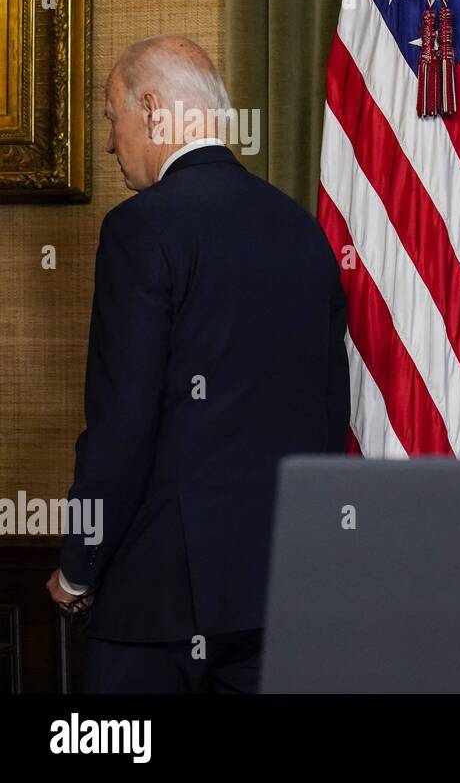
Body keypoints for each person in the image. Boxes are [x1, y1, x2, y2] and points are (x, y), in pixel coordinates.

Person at [45, 36, 350, 693]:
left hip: (159, 600)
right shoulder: (303, 230)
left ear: (153, 109)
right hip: (279, 592)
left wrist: (78, 567)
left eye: (110, 116)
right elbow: (329, 419)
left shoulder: (141, 229)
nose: (108, 143)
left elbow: (122, 424)